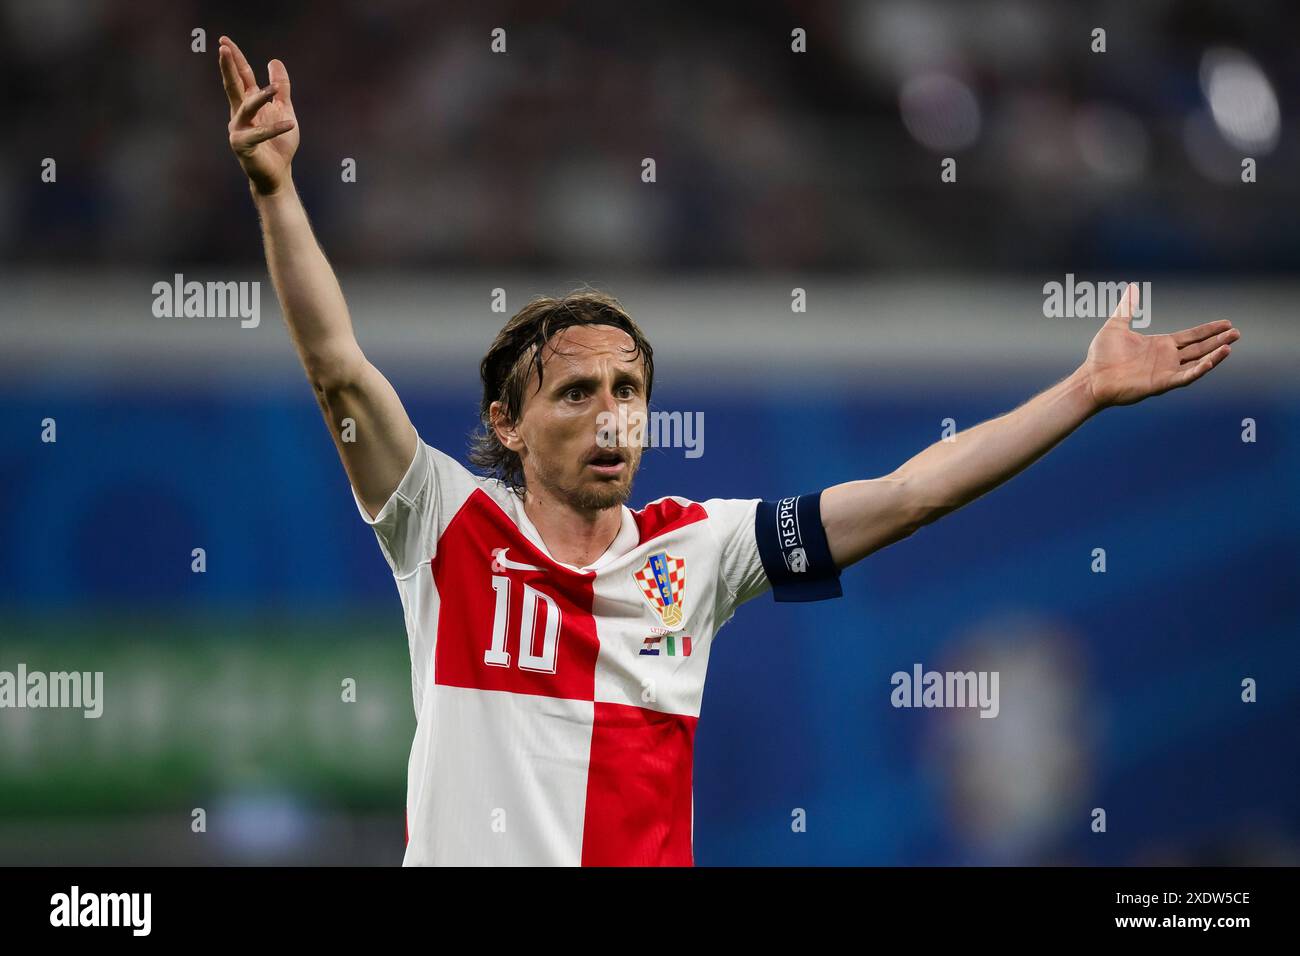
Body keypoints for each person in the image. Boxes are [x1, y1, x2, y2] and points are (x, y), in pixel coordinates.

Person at [217, 36, 1240, 865]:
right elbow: (341, 370)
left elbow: (908, 493)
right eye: (577, 391)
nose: (613, 413)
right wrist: (275, 190)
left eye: (629, 390)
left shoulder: (696, 550)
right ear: (509, 423)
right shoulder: (443, 523)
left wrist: (1082, 388)